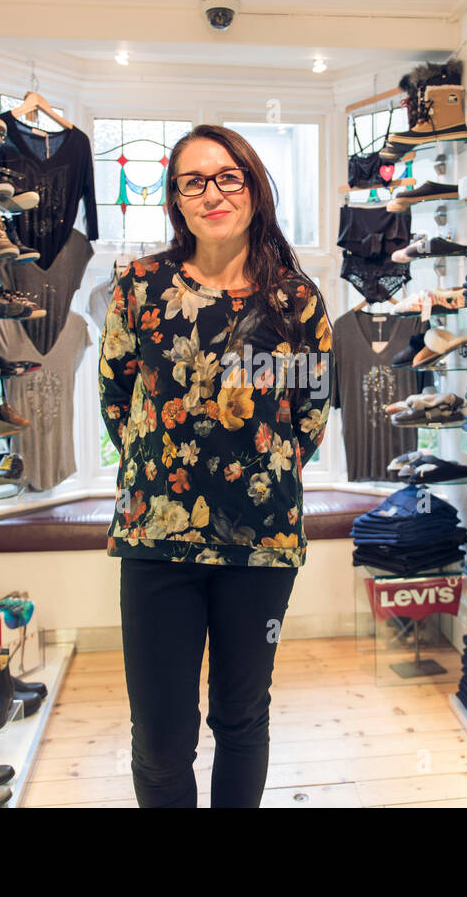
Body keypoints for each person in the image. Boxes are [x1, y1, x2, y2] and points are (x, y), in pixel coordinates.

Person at [97, 124, 335, 807]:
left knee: (241, 719)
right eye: (194, 180)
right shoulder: (139, 288)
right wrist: (164, 470)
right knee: (162, 740)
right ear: (175, 199)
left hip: (259, 540)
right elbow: (118, 397)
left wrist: (253, 470)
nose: (213, 192)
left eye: (228, 176)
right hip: (156, 539)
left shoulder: (296, 302)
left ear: (254, 187)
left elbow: (310, 418)